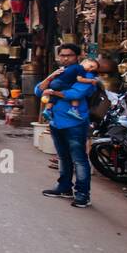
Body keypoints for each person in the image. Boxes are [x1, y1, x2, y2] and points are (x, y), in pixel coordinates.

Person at [36, 44, 96, 208]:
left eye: (69, 55)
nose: (65, 58)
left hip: (75, 122)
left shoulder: (85, 73)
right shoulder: (58, 73)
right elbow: (38, 90)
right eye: (62, 55)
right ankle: (64, 187)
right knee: (63, 157)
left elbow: (76, 94)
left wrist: (53, 92)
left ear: (78, 56)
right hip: (56, 121)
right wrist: (50, 78)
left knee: (79, 159)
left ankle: (83, 194)